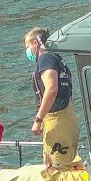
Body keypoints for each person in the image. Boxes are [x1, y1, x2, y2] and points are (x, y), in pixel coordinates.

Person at [23, 27, 79, 167]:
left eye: (28, 46)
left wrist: (38, 119)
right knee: (64, 164)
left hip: (57, 121)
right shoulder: (58, 59)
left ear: (36, 43)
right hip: (66, 117)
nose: (28, 50)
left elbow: (52, 89)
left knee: (59, 169)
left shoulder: (45, 59)